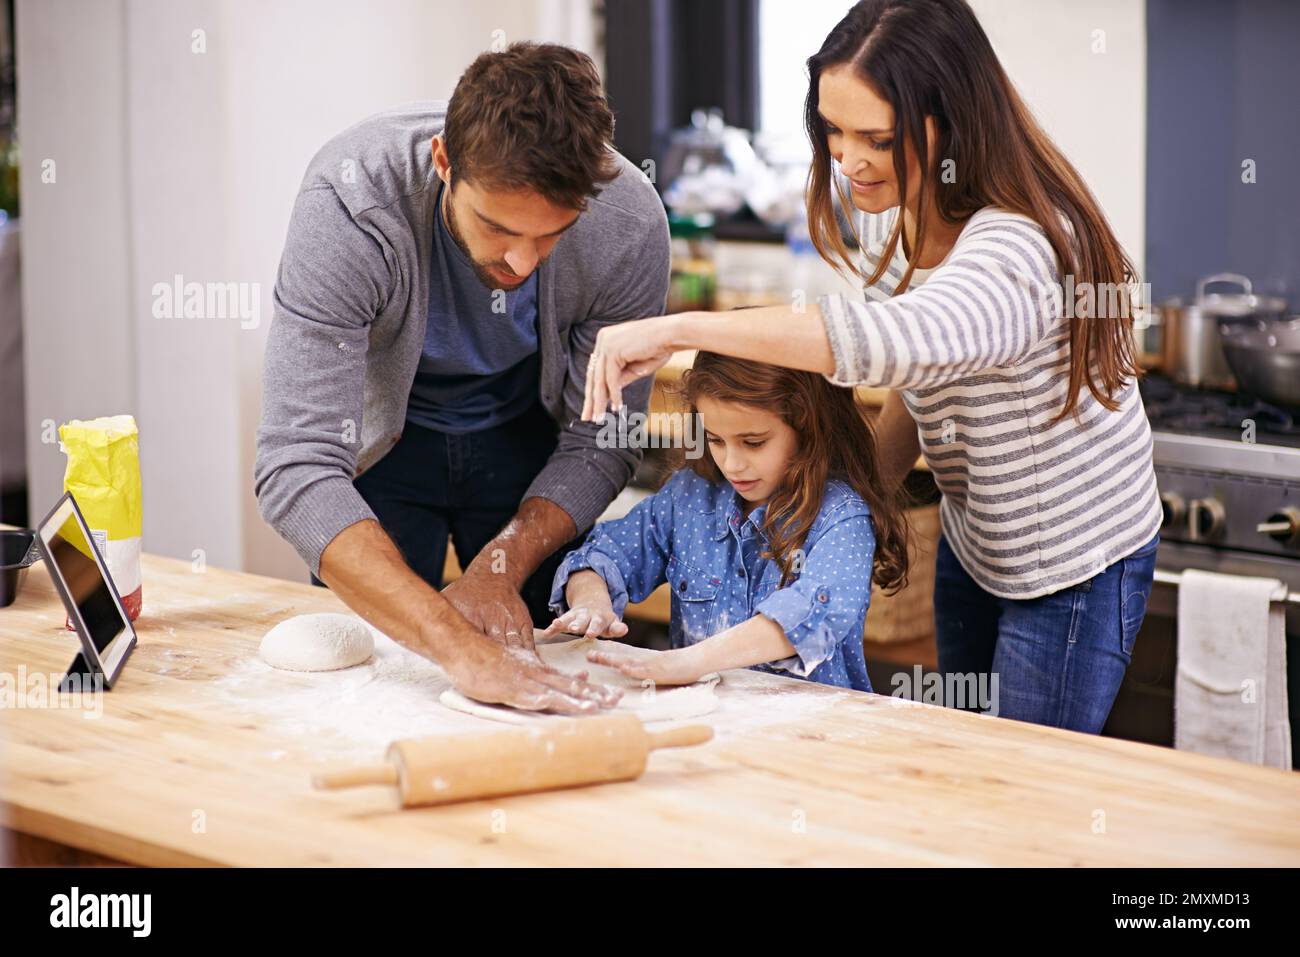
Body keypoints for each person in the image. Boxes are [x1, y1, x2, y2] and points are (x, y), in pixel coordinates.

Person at [579, 0, 1160, 733]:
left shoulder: (1019, 247)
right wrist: (848, 506)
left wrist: (681, 328)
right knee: (969, 751)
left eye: (875, 138)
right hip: (979, 543)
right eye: (833, 130)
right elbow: (922, 388)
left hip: (1073, 562)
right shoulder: (907, 211)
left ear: (950, 122)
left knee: (1029, 776)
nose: (848, 161)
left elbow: (894, 340)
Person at [255, 43, 670, 713]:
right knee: (371, 686)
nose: (522, 262)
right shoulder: (351, 201)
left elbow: (603, 438)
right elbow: (296, 467)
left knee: (533, 680)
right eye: (499, 227)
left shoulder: (627, 223)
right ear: (444, 162)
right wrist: (457, 643)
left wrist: (499, 568)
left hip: (527, 441)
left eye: (551, 234)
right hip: (384, 441)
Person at [545, 352, 908, 691]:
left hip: (809, 736)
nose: (732, 463)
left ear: (810, 429)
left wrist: (691, 662)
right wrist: (590, 601)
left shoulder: (841, 518)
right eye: (716, 440)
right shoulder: (689, 497)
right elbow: (603, 554)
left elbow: (812, 614)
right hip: (705, 725)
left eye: (753, 442)